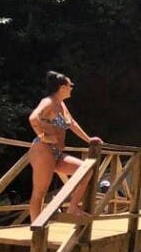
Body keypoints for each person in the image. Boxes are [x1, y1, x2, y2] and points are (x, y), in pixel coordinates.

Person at [27, 71, 102, 222]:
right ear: (62, 87)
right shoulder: (48, 102)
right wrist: (43, 136)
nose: (72, 88)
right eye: (70, 85)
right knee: (40, 192)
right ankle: (36, 228)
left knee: (85, 170)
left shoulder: (61, 104)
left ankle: (73, 207)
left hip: (57, 153)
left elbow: (72, 124)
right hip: (43, 150)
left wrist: (88, 139)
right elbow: (33, 118)